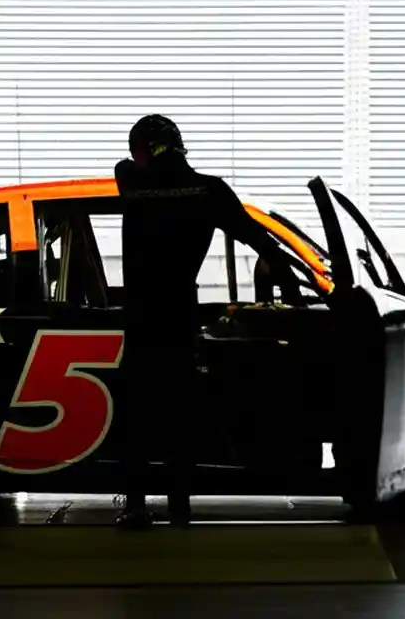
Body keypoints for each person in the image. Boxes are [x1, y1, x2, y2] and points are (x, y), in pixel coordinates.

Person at [114, 114, 293, 528]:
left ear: (143, 150)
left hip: (140, 318)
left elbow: (130, 168)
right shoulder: (209, 192)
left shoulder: (131, 182)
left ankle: (136, 506)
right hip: (179, 316)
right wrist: (289, 289)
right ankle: (180, 506)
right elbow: (258, 239)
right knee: (180, 414)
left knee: (136, 414)